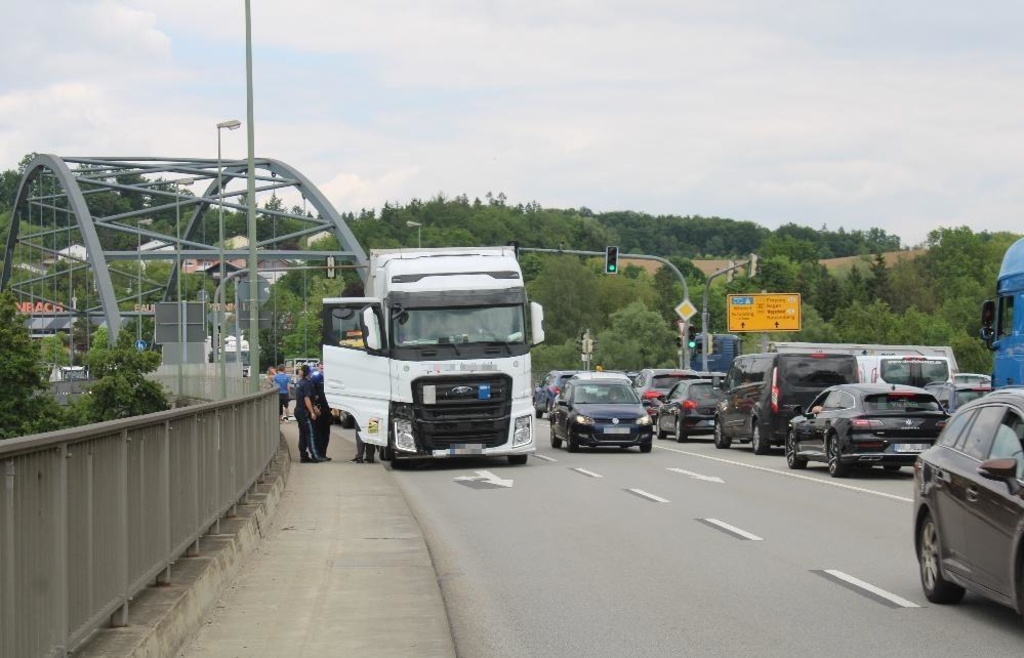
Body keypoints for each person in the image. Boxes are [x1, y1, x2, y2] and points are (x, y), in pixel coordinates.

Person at [293, 364, 324, 463]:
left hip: (298, 410)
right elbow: (307, 399)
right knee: (310, 434)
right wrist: (312, 412)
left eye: (300, 370)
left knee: (302, 433)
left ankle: (303, 456)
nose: (299, 371)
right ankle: (315, 456)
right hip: (304, 412)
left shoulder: (299, 383)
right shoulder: (307, 383)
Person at [310, 368, 333, 461]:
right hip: (319, 410)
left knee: (326, 434)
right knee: (318, 433)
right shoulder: (315, 379)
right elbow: (311, 395)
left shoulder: (330, 378)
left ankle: (323, 454)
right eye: (321, 367)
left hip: (327, 410)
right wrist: (314, 408)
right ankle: (317, 454)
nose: (323, 369)